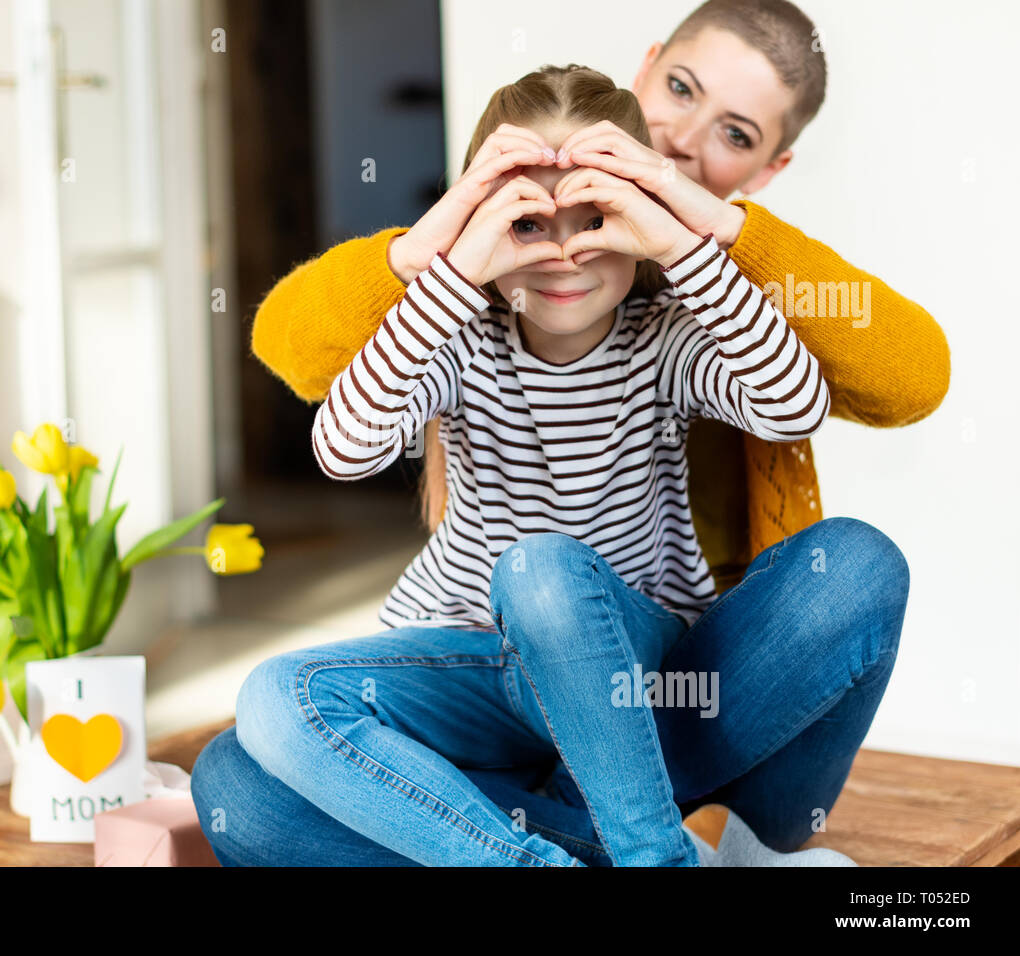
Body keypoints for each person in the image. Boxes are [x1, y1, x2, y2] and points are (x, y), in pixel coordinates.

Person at [193, 0, 940, 864]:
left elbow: (810, 400)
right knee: (237, 777)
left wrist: (696, 234)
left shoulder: (683, 327)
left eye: (733, 134)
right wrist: (442, 254)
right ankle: (599, 852)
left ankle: (636, 843)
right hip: (482, 682)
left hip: (657, 695)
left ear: (766, 169)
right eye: (682, 89)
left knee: (563, 572)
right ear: (647, 64)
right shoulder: (458, 327)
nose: (563, 255)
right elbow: (338, 435)